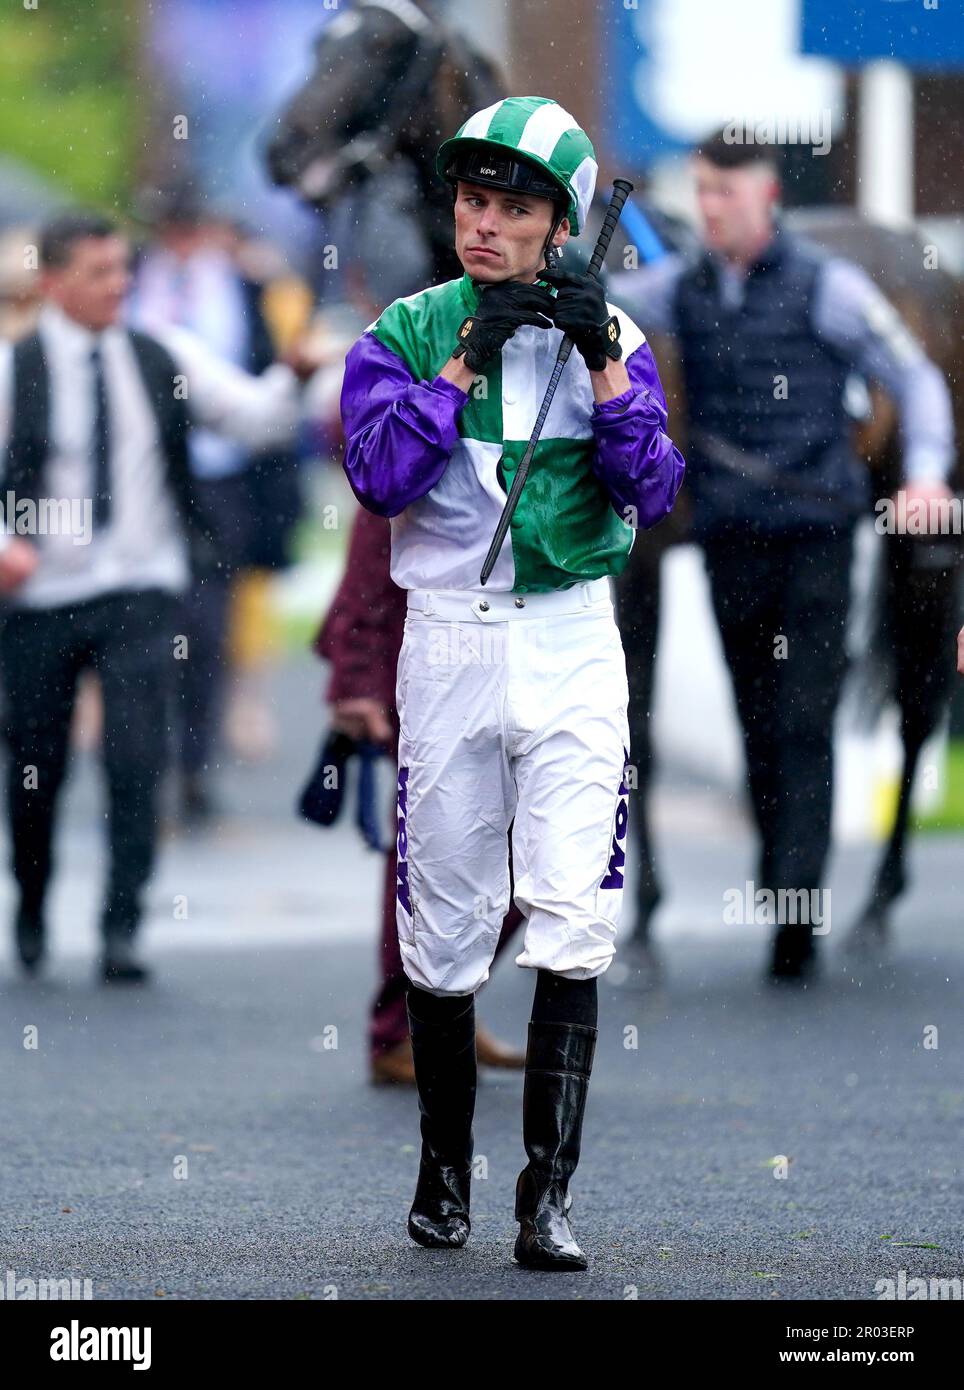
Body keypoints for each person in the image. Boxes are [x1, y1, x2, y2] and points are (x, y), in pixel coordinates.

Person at [339, 96, 685, 1270]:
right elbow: (379, 476)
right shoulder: (404, 327)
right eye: (472, 202)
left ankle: (548, 1199)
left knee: (572, 917)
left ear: (563, 224)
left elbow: (655, 487)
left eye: (515, 208)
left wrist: (599, 361)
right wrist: (461, 365)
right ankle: (443, 1176)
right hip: (447, 642)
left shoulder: (616, 337)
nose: (484, 226)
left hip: (575, 641)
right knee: (442, 929)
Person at [611, 131, 955, 983]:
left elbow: (915, 378)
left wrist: (923, 474)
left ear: (765, 200)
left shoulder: (831, 288)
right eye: (700, 192)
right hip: (733, 541)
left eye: (722, 194)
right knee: (757, 722)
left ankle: (794, 909)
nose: (708, 209)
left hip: (815, 540)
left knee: (803, 719)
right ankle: (783, 883)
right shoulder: (679, 288)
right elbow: (601, 306)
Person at [0, 211, 310, 983]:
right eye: (99, 274)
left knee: (137, 759)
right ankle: (32, 902)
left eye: (121, 272)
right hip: (42, 595)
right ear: (54, 282)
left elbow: (256, 420)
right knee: (36, 768)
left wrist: (295, 377)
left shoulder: (163, 356)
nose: (118, 286)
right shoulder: (13, 370)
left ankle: (121, 925)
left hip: (142, 589)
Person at [313, 504, 526, 1084]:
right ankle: (404, 1026)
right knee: (438, 849)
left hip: (520, 646)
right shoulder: (440, 408)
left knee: (532, 842)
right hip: (425, 653)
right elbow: (375, 519)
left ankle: (443, 1011)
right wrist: (357, 672)